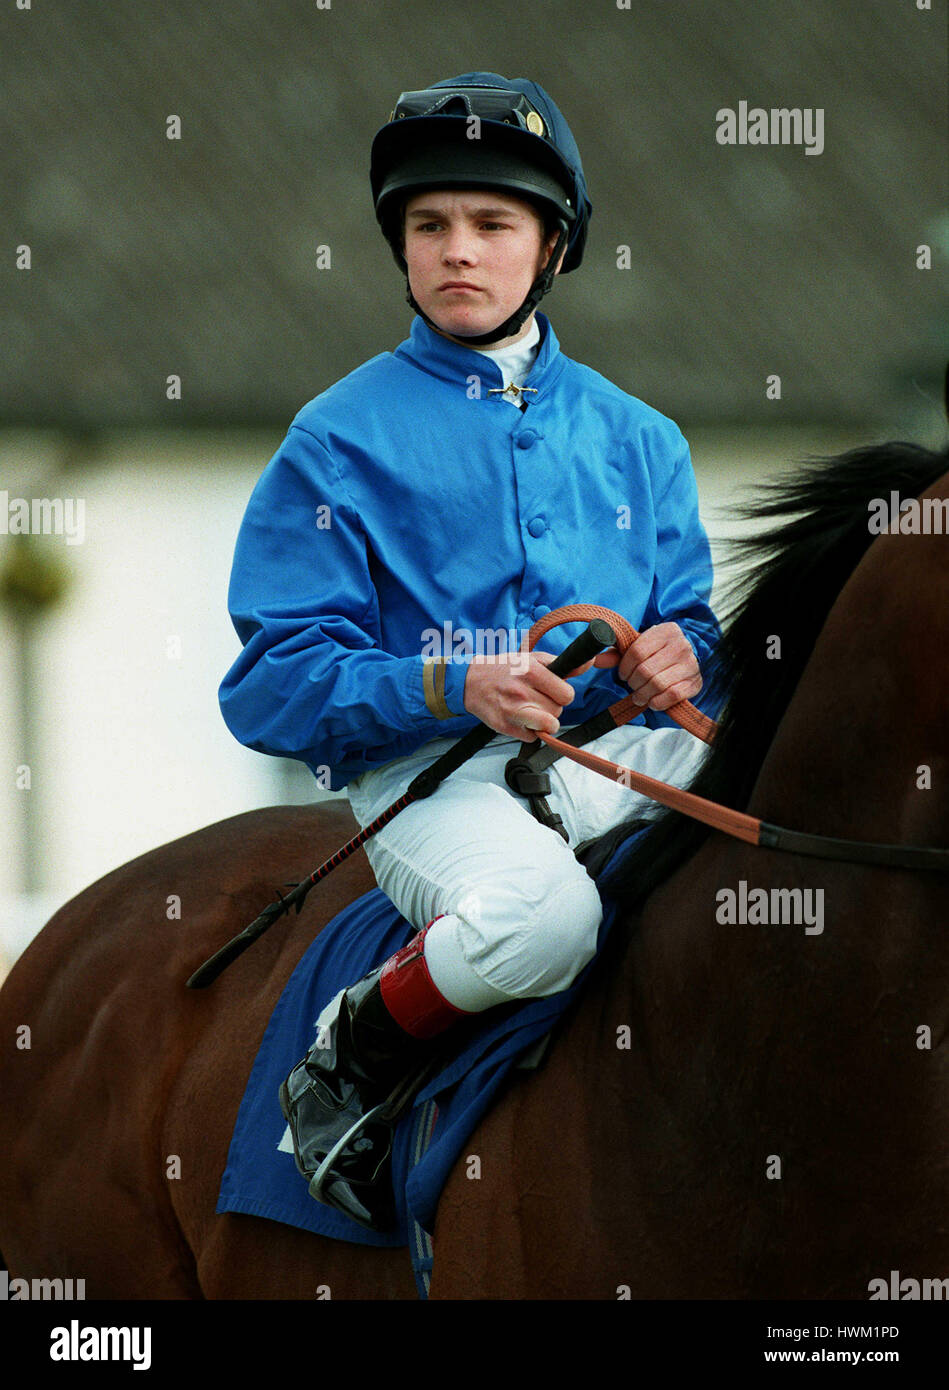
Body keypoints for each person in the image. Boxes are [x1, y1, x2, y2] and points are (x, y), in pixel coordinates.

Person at [219, 73, 722, 1230]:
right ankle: (351, 1052)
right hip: (438, 782)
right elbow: (270, 686)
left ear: (550, 247)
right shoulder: (335, 438)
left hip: (626, 756)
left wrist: (681, 659)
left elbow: (694, 627)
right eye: (428, 225)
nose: (457, 250)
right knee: (547, 920)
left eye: (491, 224)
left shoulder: (641, 437)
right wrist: (450, 683)